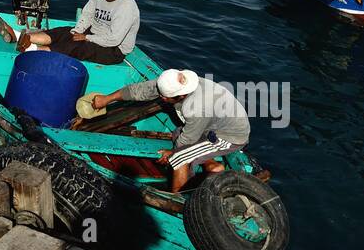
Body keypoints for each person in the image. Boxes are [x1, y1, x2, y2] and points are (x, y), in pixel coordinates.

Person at [89, 68, 250, 194]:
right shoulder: (177, 81)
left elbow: (187, 141)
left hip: (229, 136)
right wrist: (107, 99)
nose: (162, 98)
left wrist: (172, 153)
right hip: (210, 124)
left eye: (165, 97)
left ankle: (176, 200)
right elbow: (139, 90)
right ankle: (213, 167)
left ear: (180, 96)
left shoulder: (196, 107)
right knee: (176, 133)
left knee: (179, 158)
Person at [0, 0, 140, 65]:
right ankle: (18, 36)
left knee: (75, 46)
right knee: (63, 32)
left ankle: (30, 50)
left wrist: (86, 37)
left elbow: (114, 39)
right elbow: (87, 14)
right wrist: (78, 30)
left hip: (113, 50)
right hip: (94, 33)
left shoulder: (127, 7)